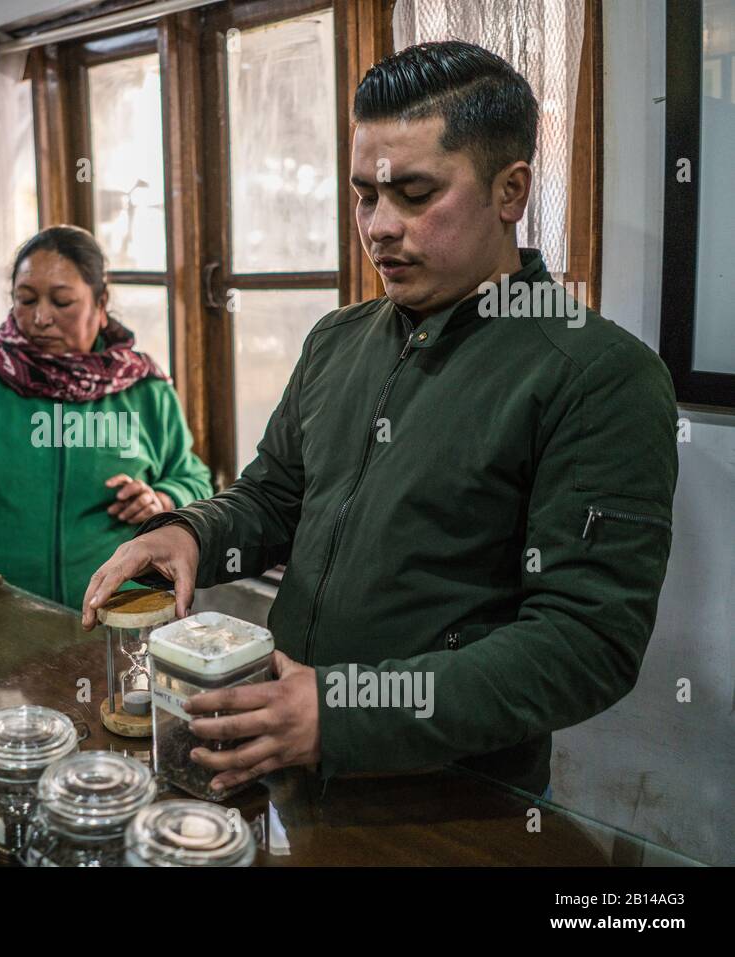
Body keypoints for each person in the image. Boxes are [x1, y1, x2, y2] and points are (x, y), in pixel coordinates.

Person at [82, 41, 678, 799]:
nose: (380, 226)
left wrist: (344, 712)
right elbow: (273, 499)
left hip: (452, 805)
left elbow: (585, 644)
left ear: (512, 190)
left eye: (416, 194)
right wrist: (189, 531)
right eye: (365, 194)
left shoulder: (596, 376)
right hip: (282, 760)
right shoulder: (339, 340)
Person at [0, 226, 212, 610]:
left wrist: (164, 499)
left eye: (62, 302)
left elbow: (194, 477)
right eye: (26, 299)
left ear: (101, 306)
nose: (41, 318)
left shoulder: (145, 391)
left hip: (118, 618)